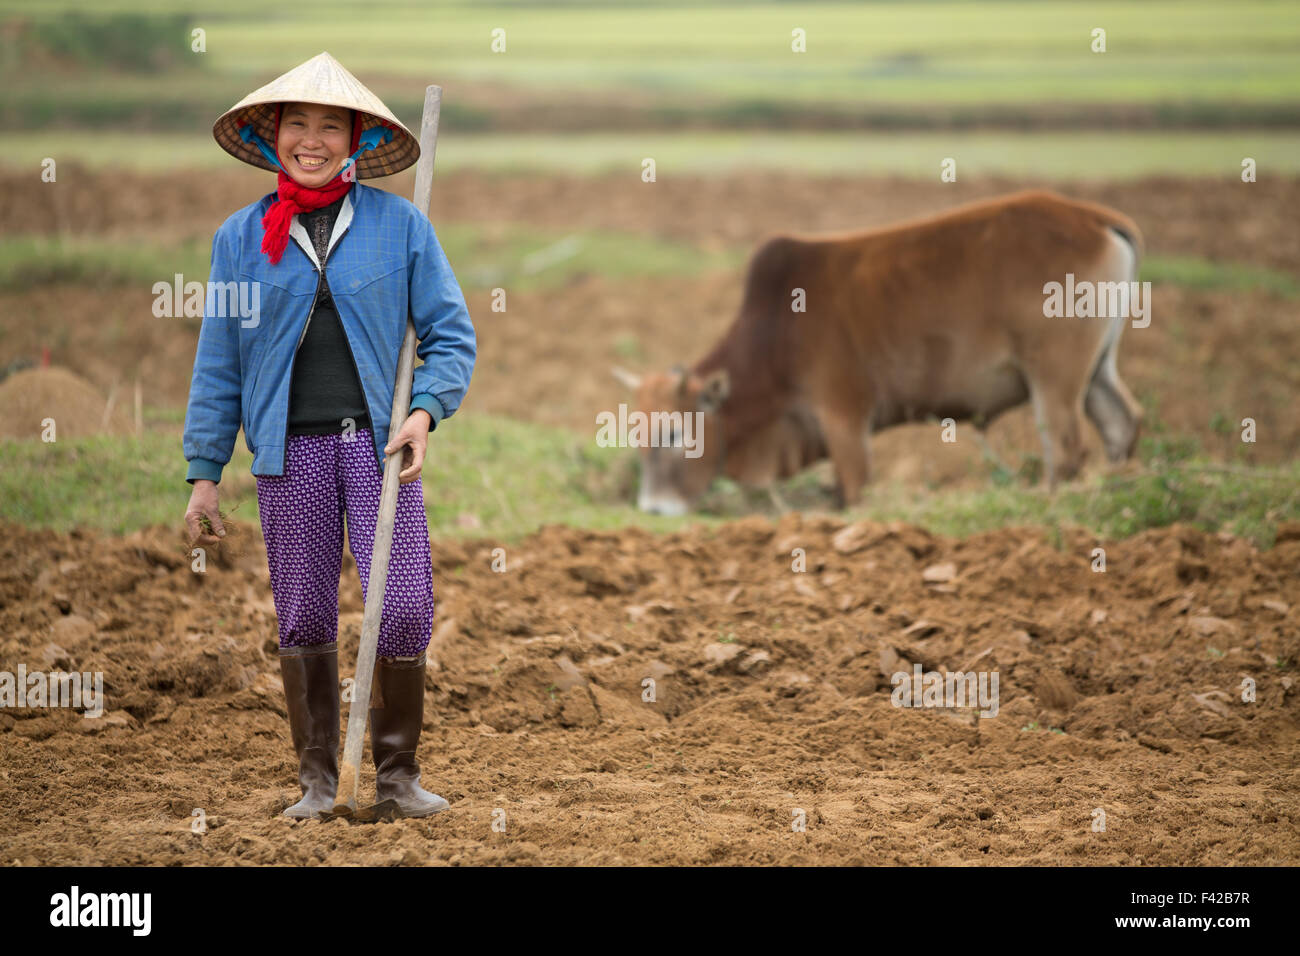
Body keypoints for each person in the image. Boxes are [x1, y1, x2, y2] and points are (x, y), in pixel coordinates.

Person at [181, 52, 476, 820]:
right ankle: (318, 782)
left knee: (406, 607)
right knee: (306, 613)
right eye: (299, 126)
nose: (313, 141)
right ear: (274, 135)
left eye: (330, 127)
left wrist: (425, 411)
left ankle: (397, 777)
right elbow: (219, 359)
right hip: (290, 453)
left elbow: (450, 335)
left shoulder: (401, 227)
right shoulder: (241, 238)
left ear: (356, 141)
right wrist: (204, 469)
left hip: (381, 451)